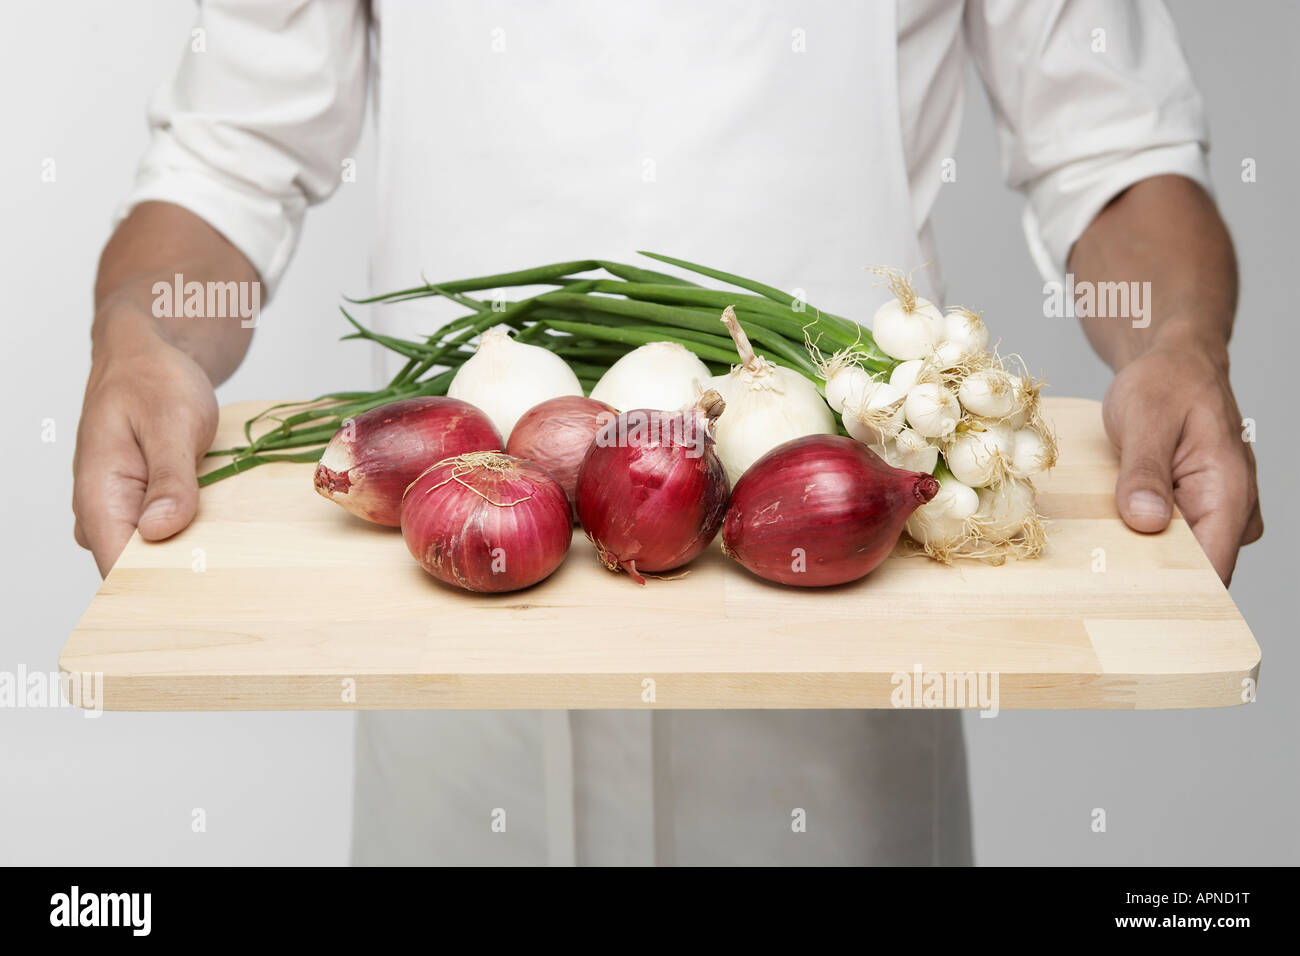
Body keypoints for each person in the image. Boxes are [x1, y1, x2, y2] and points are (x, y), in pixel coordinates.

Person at [74, 1, 1261, 865]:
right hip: (464, 684)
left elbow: (1114, 149)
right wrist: (144, 334)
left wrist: (1175, 345)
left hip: (832, 693)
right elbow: (228, 157)